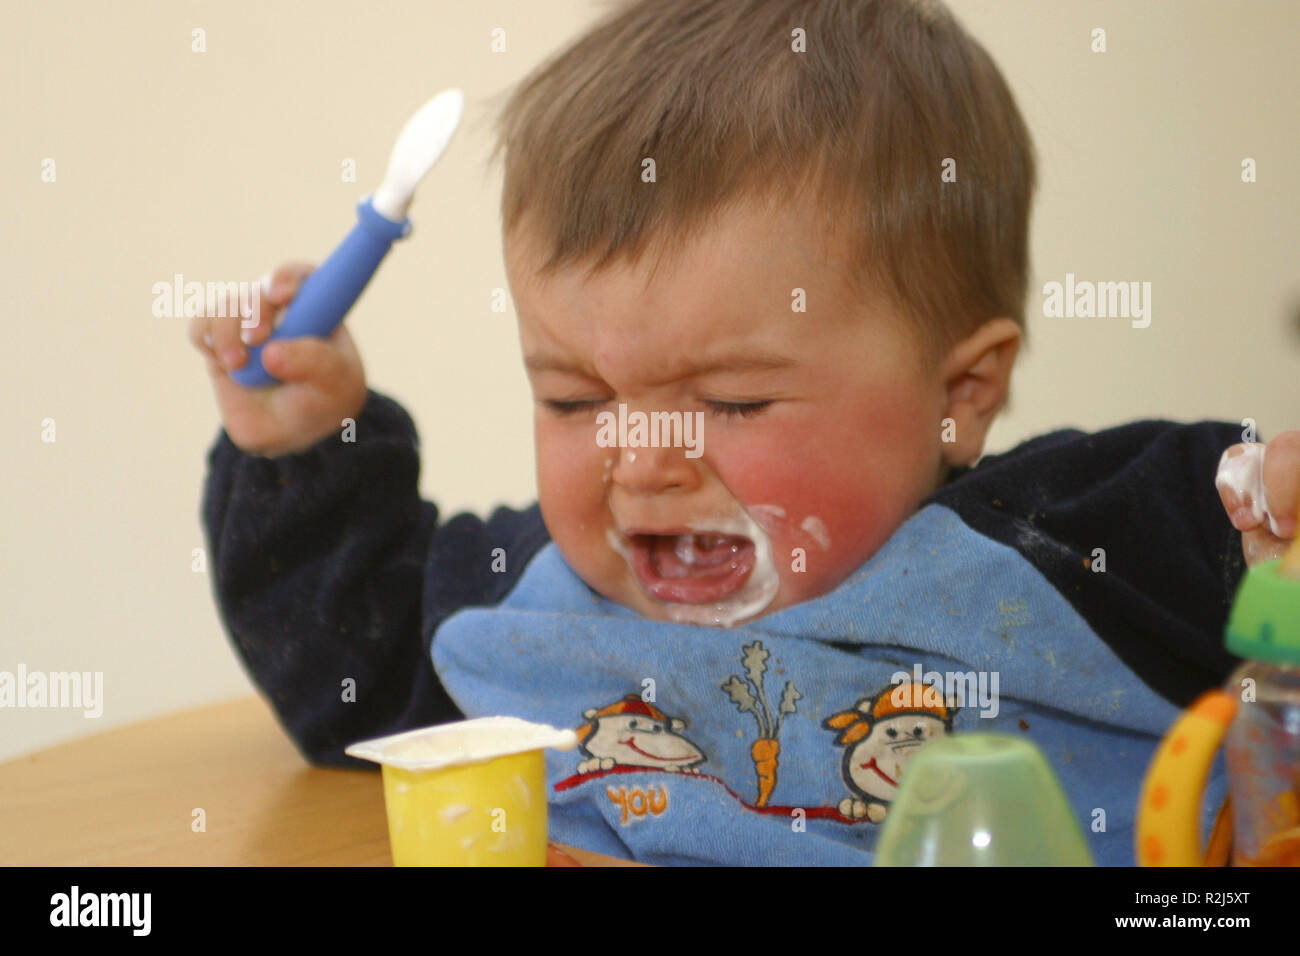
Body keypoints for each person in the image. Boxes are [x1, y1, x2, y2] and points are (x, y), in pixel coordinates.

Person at [191, 0, 1298, 865]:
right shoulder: (535, 597)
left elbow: (1258, 526)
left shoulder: (1084, 540)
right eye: (575, 399)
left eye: (731, 400)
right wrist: (302, 450)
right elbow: (353, 665)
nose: (640, 460)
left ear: (959, 392)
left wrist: (1271, 511)